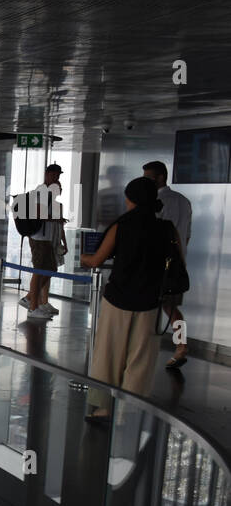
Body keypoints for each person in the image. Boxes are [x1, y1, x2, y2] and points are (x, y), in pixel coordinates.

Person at [80, 177, 168, 419]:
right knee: (140, 359)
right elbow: (177, 262)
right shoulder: (166, 229)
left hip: (118, 299)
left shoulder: (122, 225)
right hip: (150, 302)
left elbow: (97, 260)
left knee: (108, 354)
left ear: (129, 199)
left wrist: (84, 259)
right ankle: (130, 413)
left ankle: (103, 407)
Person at [142, 161, 193, 369]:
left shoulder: (157, 201)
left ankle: (144, 348)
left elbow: (152, 235)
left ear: (160, 177)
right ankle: (181, 345)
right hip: (177, 263)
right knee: (172, 308)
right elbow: (186, 235)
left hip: (156, 264)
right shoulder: (184, 201)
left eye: (148, 178)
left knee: (148, 306)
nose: (145, 182)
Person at [19, 164, 67, 319]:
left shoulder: (48, 197)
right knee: (40, 271)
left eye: (58, 176)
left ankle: (31, 299)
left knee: (48, 269)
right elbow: (39, 214)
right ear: (47, 174)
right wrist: (57, 218)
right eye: (54, 176)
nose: (56, 179)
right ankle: (32, 305)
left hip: (45, 239)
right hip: (39, 238)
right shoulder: (42, 192)